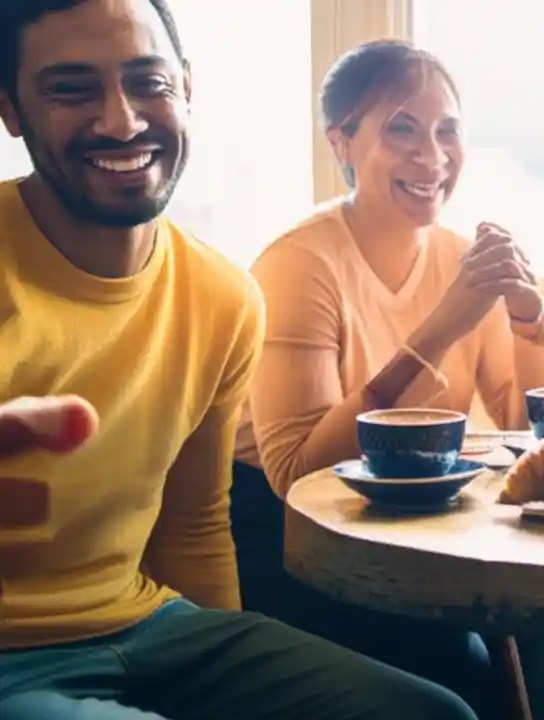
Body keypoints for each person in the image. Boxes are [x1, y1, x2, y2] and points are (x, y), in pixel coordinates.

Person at [0, 1, 476, 719]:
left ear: (186, 87)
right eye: (71, 90)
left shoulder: (222, 295)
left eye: (148, 83)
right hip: (14, 665)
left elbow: (192, 528)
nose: (122, 121)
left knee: (435, 712)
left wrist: (225, 664)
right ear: (9, 108)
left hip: (154, 626)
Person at [230, 40, 544, 719]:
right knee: (464, 662)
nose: (432, 155)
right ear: (342, 141)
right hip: (285, 534)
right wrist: (441, 328)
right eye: (401, 129)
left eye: (448, 130)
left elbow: (537, 430)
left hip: (413, 521)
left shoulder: (461, 259)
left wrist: (532, 316)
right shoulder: (298, 264)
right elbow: (297, 469)